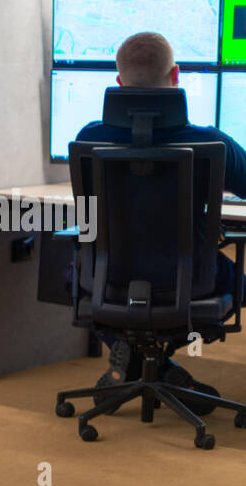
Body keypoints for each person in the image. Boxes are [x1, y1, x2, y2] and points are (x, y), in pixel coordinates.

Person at [75, 31, 246, 412]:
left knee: (74, 270)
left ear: (118, 83)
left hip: (108, 279)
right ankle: (160, 368)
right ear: (176, 76)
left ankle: (129, 352)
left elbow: (87, 217)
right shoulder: (212, 144)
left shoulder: (89, 140)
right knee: (238, 281)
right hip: (192, 281)